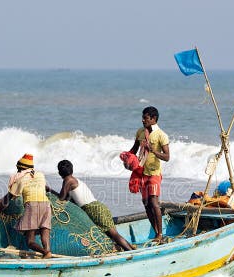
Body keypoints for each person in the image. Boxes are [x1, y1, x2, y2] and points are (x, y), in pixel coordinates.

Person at [47, 160, 134, 251]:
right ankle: (132, 248)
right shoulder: (75, 180)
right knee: (113, 234)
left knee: (114, 235)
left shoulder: (68, 180)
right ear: (72, 170)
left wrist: (49, 190)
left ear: (59, 172)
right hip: (99, 207)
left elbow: (61, 198)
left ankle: (131, 252)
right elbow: (67, 199)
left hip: (93, 209)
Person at [0, 154, 52, 259]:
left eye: (17, 168)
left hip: (32, 206)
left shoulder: (20, 178)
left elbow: (7, 198)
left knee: (30, 241)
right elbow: (45, 187)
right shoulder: (40, 175)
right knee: (44, 231)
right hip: (46, 205)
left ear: (20, 168)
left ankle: (45, 253)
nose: (17, 170)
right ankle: (48, 252)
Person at [128, 106, 170, 242]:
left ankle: (160, 235)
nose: (142, 120)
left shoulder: (161, 135)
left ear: (153, 119)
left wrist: (153, 150)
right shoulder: (140, 132)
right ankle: (157, 232)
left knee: (154, 202)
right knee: (146, 204)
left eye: (145, 118)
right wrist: (127, 160)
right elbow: (133, 150)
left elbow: (167, 156)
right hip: (141, 173)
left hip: (154, 173)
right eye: (143, 117)